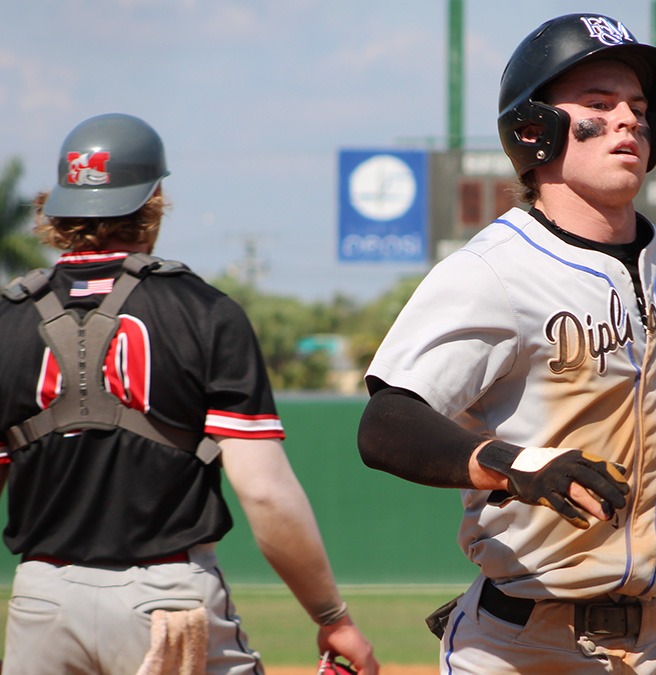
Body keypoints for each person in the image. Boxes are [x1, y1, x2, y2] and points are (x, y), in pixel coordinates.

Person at [359, 13, 656, 674]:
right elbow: (386, 422)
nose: (627, 119)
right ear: (534, 129)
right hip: (525, 641)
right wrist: (515, 464)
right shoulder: (494, 271)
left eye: (638, 107)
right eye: (598, 104)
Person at [0, 112, 379, 674]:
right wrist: (332, 617)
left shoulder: (7, 319)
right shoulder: (204, 312)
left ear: (58, 206)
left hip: (40, 603)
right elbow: (265, 493)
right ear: (153, 200)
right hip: (166, 599)